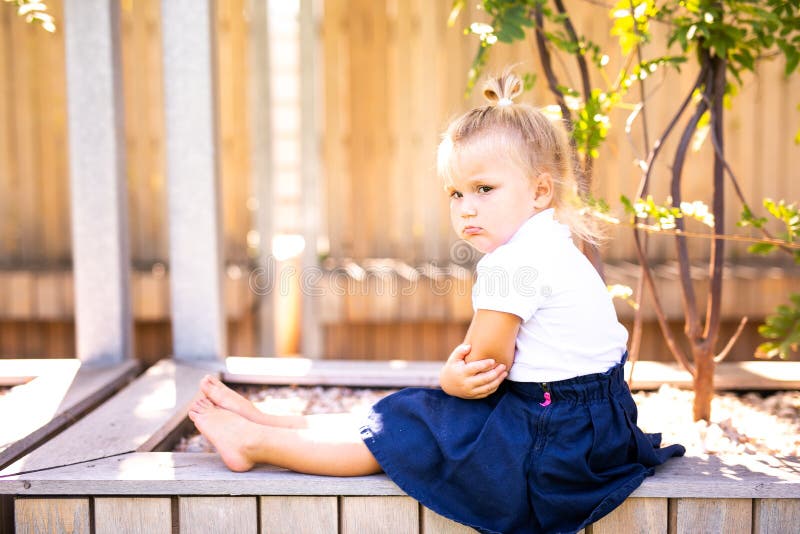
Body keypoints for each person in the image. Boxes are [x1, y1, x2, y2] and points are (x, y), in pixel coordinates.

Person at [188, 71, 685, 534]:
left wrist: (451, 380)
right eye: (455, 193)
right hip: (598, 430)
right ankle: (271, 422)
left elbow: (483, 369)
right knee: (412, 413)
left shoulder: (513, 264)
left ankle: (255, 442)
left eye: (483, 189)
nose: (466, 208)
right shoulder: (554, 242)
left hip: (550, 442)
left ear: (539, 192)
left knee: (408, 429)